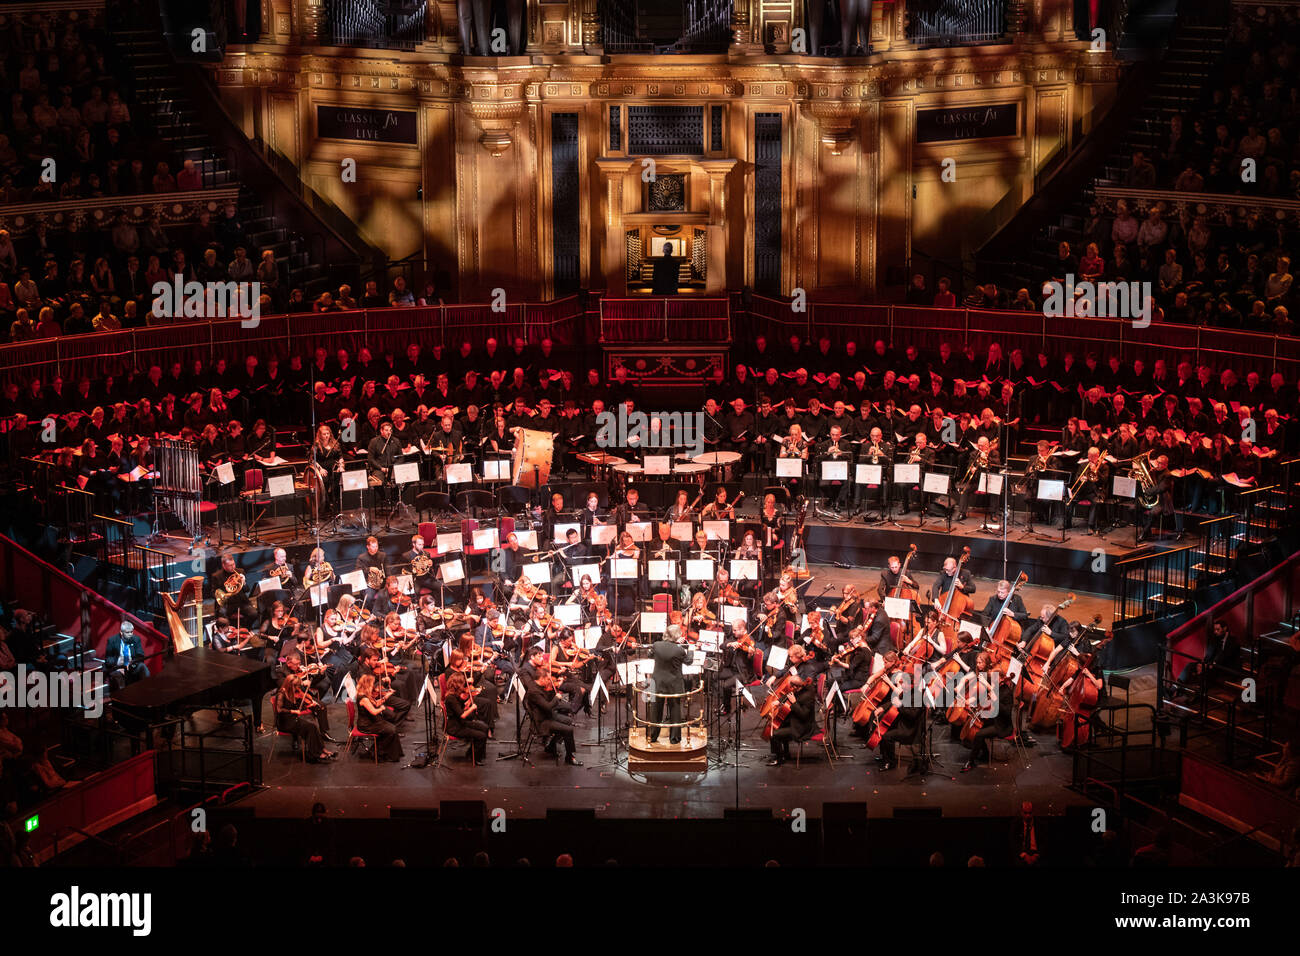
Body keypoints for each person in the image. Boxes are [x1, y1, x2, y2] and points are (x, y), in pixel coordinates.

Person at [526, 670, 581, 765]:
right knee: (569, 730)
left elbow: (547, 702)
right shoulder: (534, 692)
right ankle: (569, 757)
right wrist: (556, 697)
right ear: (541, 679)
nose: (549, 681)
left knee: (568, 721)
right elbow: (548, 707)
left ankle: (551, 746)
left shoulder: (538, 686)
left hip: (546, 715)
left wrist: (553, 690)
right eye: (547, 679)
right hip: (542, 721)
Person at [647, 627, 688, 745]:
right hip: (674, 684)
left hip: (658, 682)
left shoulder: (656, 645)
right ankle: (674, 738)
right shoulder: (679, 650)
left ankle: (653, 736)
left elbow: (650, 655)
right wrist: (687, 648)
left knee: (656, 710)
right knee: (675, 710)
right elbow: (688, 661)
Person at [766, 670, 815, 766]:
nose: (790, 689)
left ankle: (779, 759)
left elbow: (804, 715)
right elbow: (789, 694)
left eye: (791, 687)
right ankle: (785, 754)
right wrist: (779, 701)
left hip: (802, 728)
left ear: (796, 686)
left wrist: (794, 703)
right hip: (796, 721)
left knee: (774, 735)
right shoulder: (801, 688)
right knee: (778, 725)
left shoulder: (808, 696)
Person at [354, 674, 403, 762]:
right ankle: (377, 753)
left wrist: (386, 696)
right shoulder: (363, 698)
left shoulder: (366, 694)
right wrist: (382, 708)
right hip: (367, 725)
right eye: (372, 684)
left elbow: (376, 703)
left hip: (372, 721)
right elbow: (374, 711)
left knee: (393, 728)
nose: (374, 686)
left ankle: (393, 753)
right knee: (391, 730)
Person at [444, 670, 488, 762]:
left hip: (460, 723)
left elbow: (460, 710)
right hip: (455, 727)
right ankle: (475, 758)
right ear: (458, 685)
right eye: (463, 683)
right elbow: (463, 715)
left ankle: (472, 753)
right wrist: (472, 708)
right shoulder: (451, 698)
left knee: (485, 727)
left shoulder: (455, 695)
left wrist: (467, 704)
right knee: (481, 736)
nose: (464, 685)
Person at [105, 620, 148, 689]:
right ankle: (123, 696)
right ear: (121, 633)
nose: (130, 634)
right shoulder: (112, 641)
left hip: (131, 666)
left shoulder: (136, 639)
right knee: (117, 675)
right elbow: (108, 659)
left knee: (142, 667)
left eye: (131, 632)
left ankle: (148, 689)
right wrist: (118, 663)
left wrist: (132, 663)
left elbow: (140, 655)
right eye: (127, 632)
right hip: (118, 667)